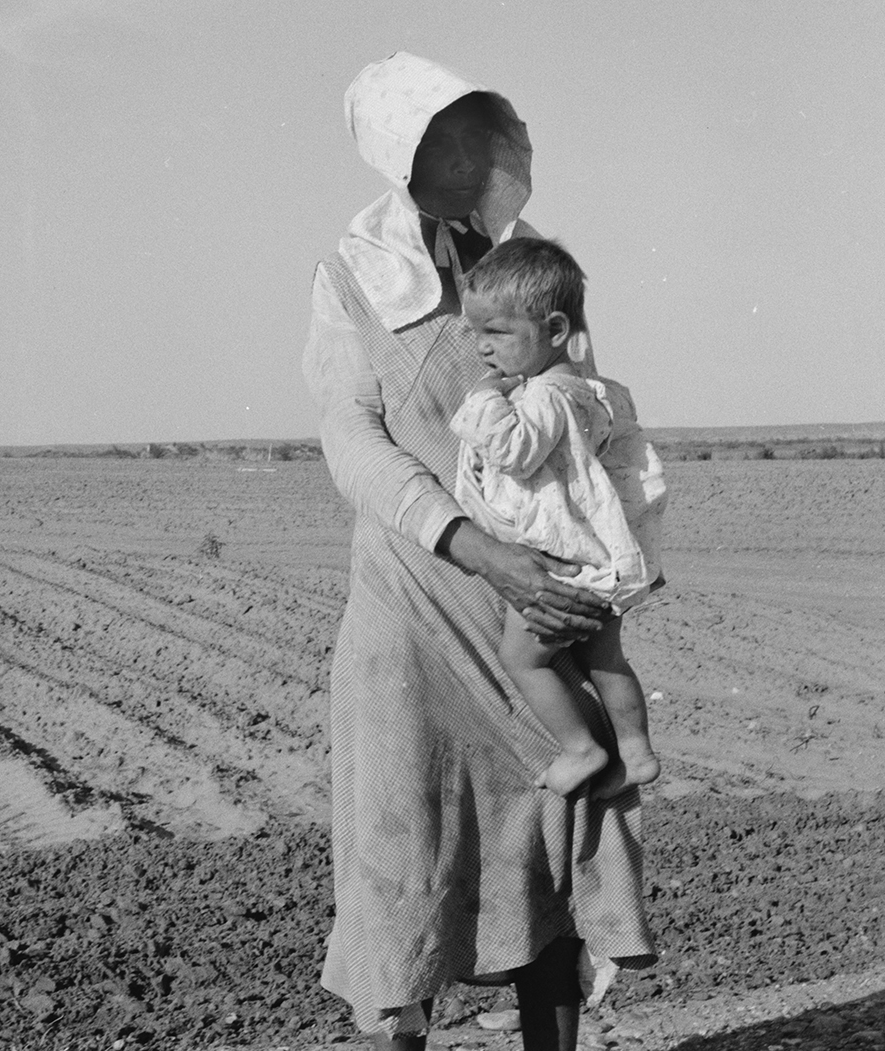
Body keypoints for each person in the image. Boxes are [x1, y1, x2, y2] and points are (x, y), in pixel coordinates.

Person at [304, 52, 656, 1051]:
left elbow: (588, 412)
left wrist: (599, 561)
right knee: (399, 849)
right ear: (403, 154)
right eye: (442, 137)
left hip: (530, 603)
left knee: (552, 835)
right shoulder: (348, 275)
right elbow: (351, 439)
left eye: (477, 132)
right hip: (413, 606)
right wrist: (468, 543)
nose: (468, 156)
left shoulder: (526, 266)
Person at [449, 237, 667, 801]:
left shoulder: (545, 395)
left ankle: (581, 747)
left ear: (555, 329)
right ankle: (637, 750)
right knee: (605, 656)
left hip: (565, 564)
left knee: (521, 658)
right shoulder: (599, 391)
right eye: (476, 334)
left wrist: (482, 400)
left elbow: (513, 451)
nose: (481, 349)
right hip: (604, 557)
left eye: (495, 333)